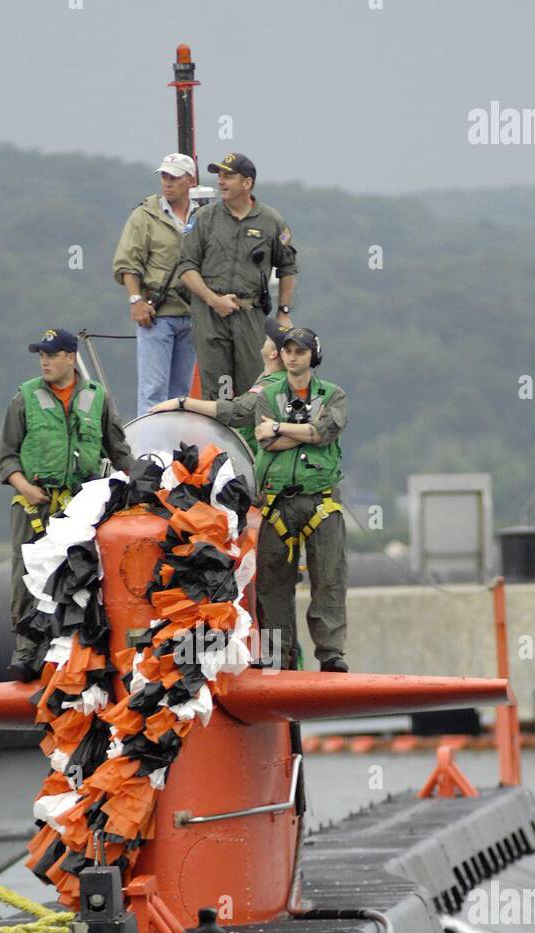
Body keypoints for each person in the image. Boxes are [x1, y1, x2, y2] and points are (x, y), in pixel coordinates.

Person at [0, 328, 132, 680]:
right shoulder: (24, 398)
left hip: (79, 508)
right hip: (34, 506)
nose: (45, 361)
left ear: (71, 358)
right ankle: (27, 652)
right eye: (41, 354)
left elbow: (119, 451)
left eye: (52, 354)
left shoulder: (97, 398)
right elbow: (6, 456)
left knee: (79, 578)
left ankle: (77, 650)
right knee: (26, 577)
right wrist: (24, 487)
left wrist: (140, 485)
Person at [253, 327, 349, 673]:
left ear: (313, 356)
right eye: (288, 351)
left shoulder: (333, 395)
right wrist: (304, 432)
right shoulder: (268, 394)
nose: (293, 357)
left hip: (320, 499)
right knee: (271, 583)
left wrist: (280, 428)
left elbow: (326, 432)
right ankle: (278, 656)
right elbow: (266, 442)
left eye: (300, 351)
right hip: (277, 502)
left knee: (329, 578)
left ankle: (331, 653)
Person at [176, 152, 297, 401]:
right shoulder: (204, 218)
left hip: (250, 314)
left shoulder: (271, 221)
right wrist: (213, 300)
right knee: (216, 390)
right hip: (210, 314)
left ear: (247, 182)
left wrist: (284, 310)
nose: (221, 181)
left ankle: (250, 439)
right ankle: (216, 439)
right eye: (219, 176)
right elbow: (186, 267)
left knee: (253, 385)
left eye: (228, 176)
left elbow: (288, 267)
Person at [112, 153, 199, 416]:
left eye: (174, 177)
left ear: (190, 181)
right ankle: (150, 452)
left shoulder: (204, 215)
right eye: (164, 176)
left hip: (193, 314)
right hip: (157, 314)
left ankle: (177, 453)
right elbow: (128, 262)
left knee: (181, 394)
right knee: (153, 391)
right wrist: (135, 300)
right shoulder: (144, 215)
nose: (167, 183)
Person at [148, 315, 288, 451]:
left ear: (273, 354)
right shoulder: (274, 378)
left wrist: (182, 403)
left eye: (268, 339)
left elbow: (238, 412)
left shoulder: (272, 384)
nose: (263, 339)